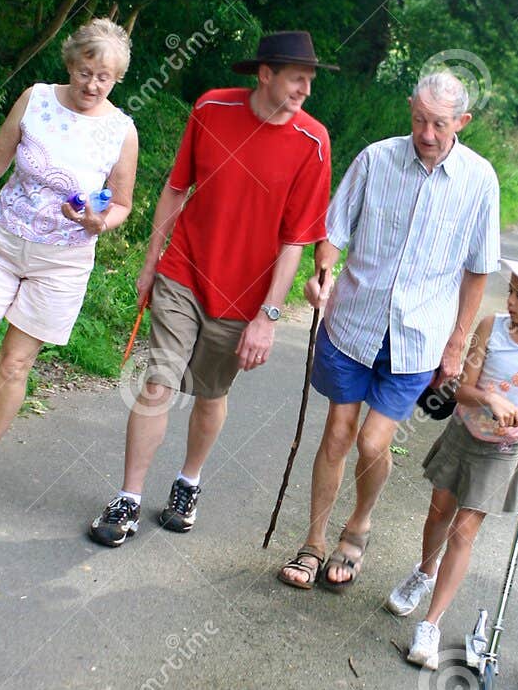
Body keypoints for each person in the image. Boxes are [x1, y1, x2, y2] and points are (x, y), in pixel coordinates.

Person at [89, 30, 334, 547]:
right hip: (184, 270)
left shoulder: (313, 142)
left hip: (245, 296)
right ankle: (129, 498)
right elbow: (177, 186)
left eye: (310, 81)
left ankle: (188, 481)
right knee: (157, 381)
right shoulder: (213, 107)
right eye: (297, 78)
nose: (305, 90)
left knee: (210, 392)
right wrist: (151, 261)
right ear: (265, 73)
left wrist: (268, 316)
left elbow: (295, 241)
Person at [279, 70, 499, 594]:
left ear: (462, 122)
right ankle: (313, 541)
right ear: (410, 110)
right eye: (419, 119)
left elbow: (478, 268)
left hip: (418, 337)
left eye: (439, 124)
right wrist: (322, 273)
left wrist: (458, 343)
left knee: (374, 442)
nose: (426, 133)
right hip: (353, 322)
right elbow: (333, 232)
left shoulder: (479, 180)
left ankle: (358, 527)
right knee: (337, 432)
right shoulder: (376, 159)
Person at [0, 18, 138, 501]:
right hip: (2, 242)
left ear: (117, 79)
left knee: (14, 366)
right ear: (71, 64)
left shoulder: (121, 130)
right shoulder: (35, 98)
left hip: (62, 262)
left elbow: (121, 203)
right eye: (84, 72)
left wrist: (100, 222)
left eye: (104, 77)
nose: (92, 85)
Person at [386, 253, 518, 671]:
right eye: (511, 291)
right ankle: (424, 573)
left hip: (500, 452)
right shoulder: (490, 327)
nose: (511, 300)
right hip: (463, 435)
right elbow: (462, 390)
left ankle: (431, 624)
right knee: (438, 513)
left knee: (464, 534)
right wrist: (489, 397)